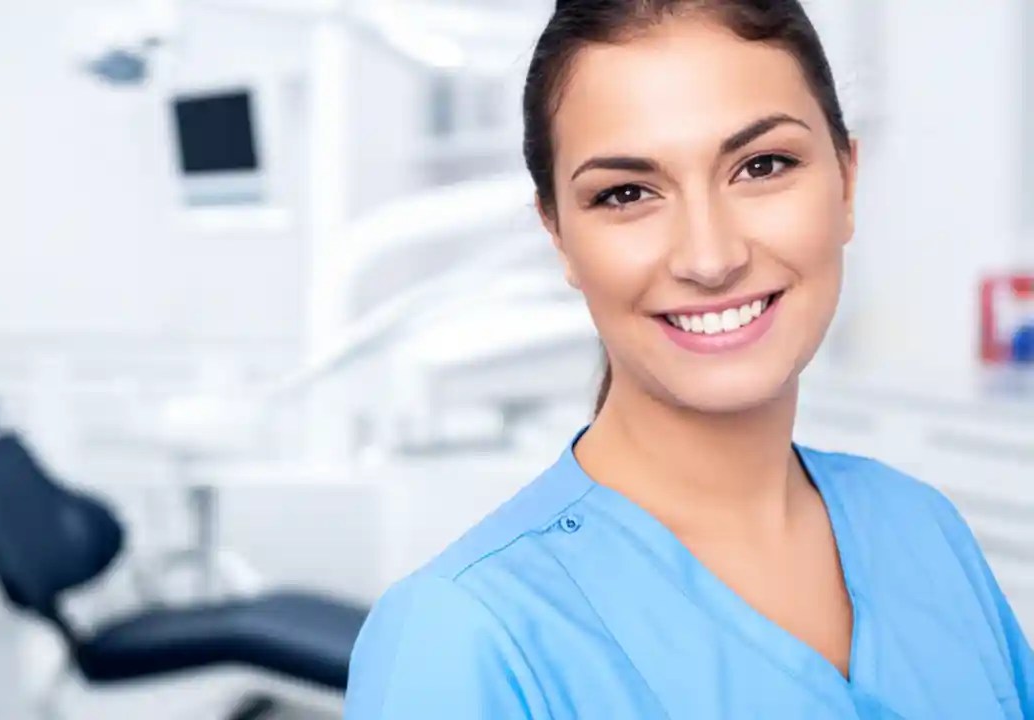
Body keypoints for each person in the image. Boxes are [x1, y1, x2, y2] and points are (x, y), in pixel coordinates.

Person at [343, 0, 1034, 717]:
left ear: (847, 182)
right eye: (627, 193)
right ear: (557, 235)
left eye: (762, 166)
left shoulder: (919, 529)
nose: (710, 258)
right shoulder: (462, 640)